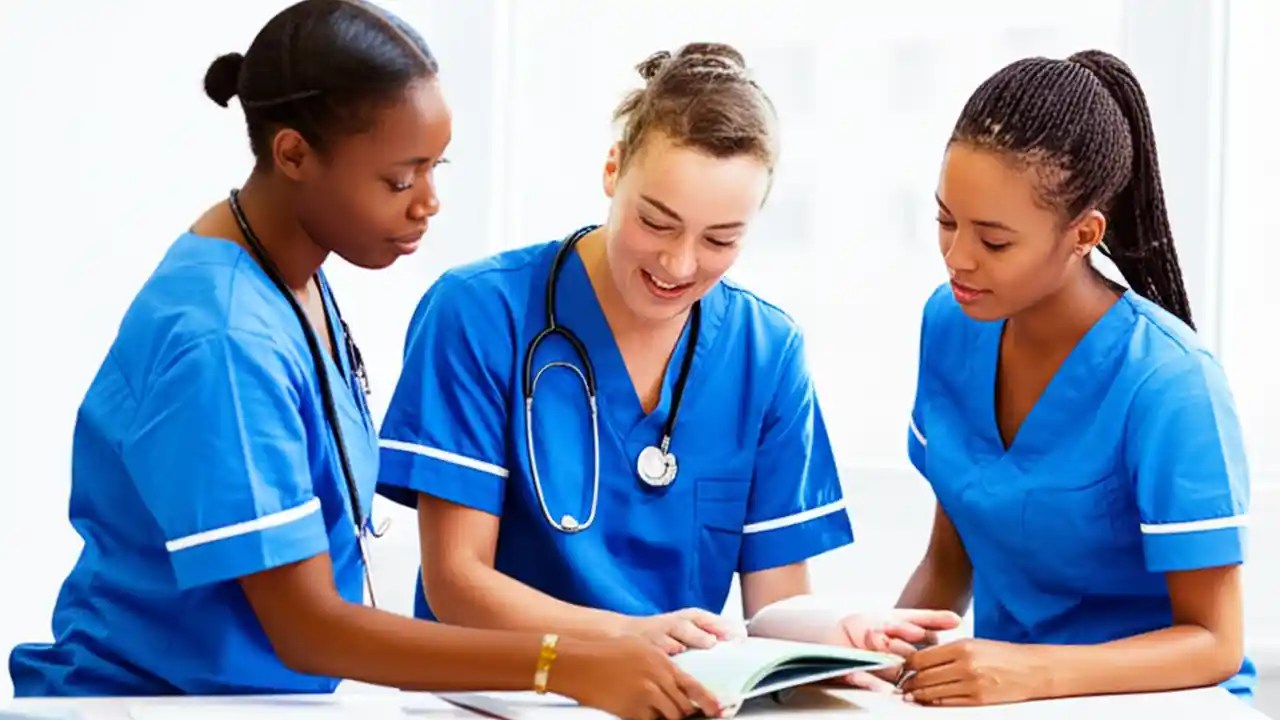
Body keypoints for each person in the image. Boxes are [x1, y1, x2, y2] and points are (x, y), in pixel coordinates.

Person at [8, 3, 726, 717]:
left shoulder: (287, 277)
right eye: (399, 179)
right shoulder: (224, 339)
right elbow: (307, 627)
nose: (429, 204)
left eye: (435, 169)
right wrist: (559, 663)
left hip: (239, 700)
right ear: (293, 155)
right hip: (144, 704)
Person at [375, 41, 960, 671]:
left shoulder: (765, 351)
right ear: (612, 169)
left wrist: (841, 628)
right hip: (503, 694)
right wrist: (627, 638)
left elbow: (774, 604)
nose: (679, 265)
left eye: (720, 239)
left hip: (672, 698)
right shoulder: (479, 313)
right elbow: (457, 583)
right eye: (656, 222)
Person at [895, 49, 1252, 707]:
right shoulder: (950, 323)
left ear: (1083, 233)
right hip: (1010, 703)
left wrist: (1034, 674)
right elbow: (949, 565)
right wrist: (877, 663)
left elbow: (1215, 641)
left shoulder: (1171, 383)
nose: (957, 257)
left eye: (994, 241)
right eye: (947, 220)